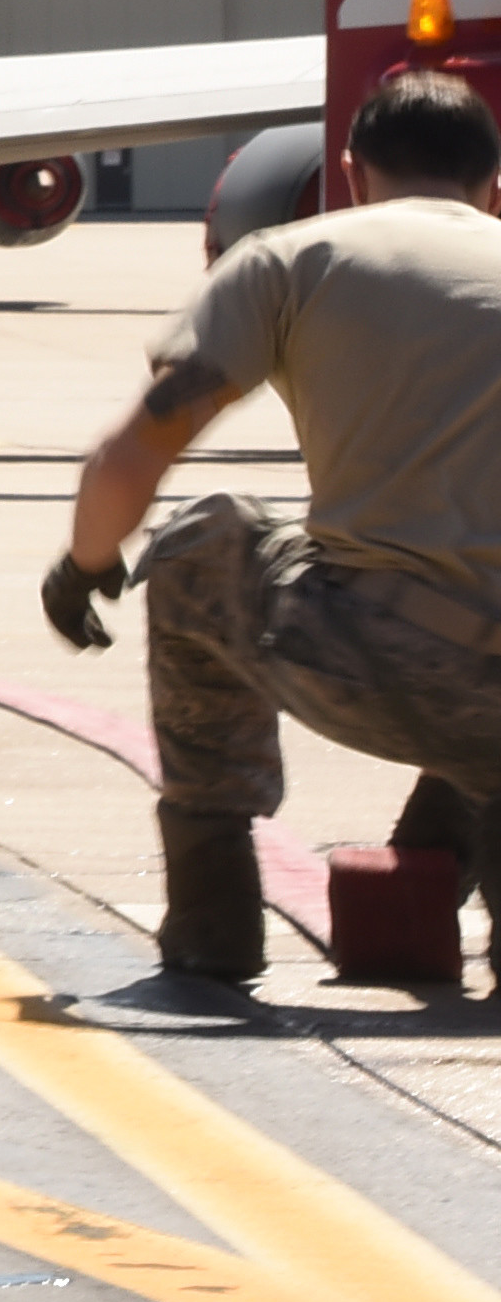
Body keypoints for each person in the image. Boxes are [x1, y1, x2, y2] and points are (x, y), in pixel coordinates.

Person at [44, 64, 501, 985]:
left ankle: (213, 914)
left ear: (351, 171)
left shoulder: (289, 260)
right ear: (494, 184)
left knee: (203, 540)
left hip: (364, 660)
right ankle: (457, 836)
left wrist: (83, 566)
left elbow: (134, 455)